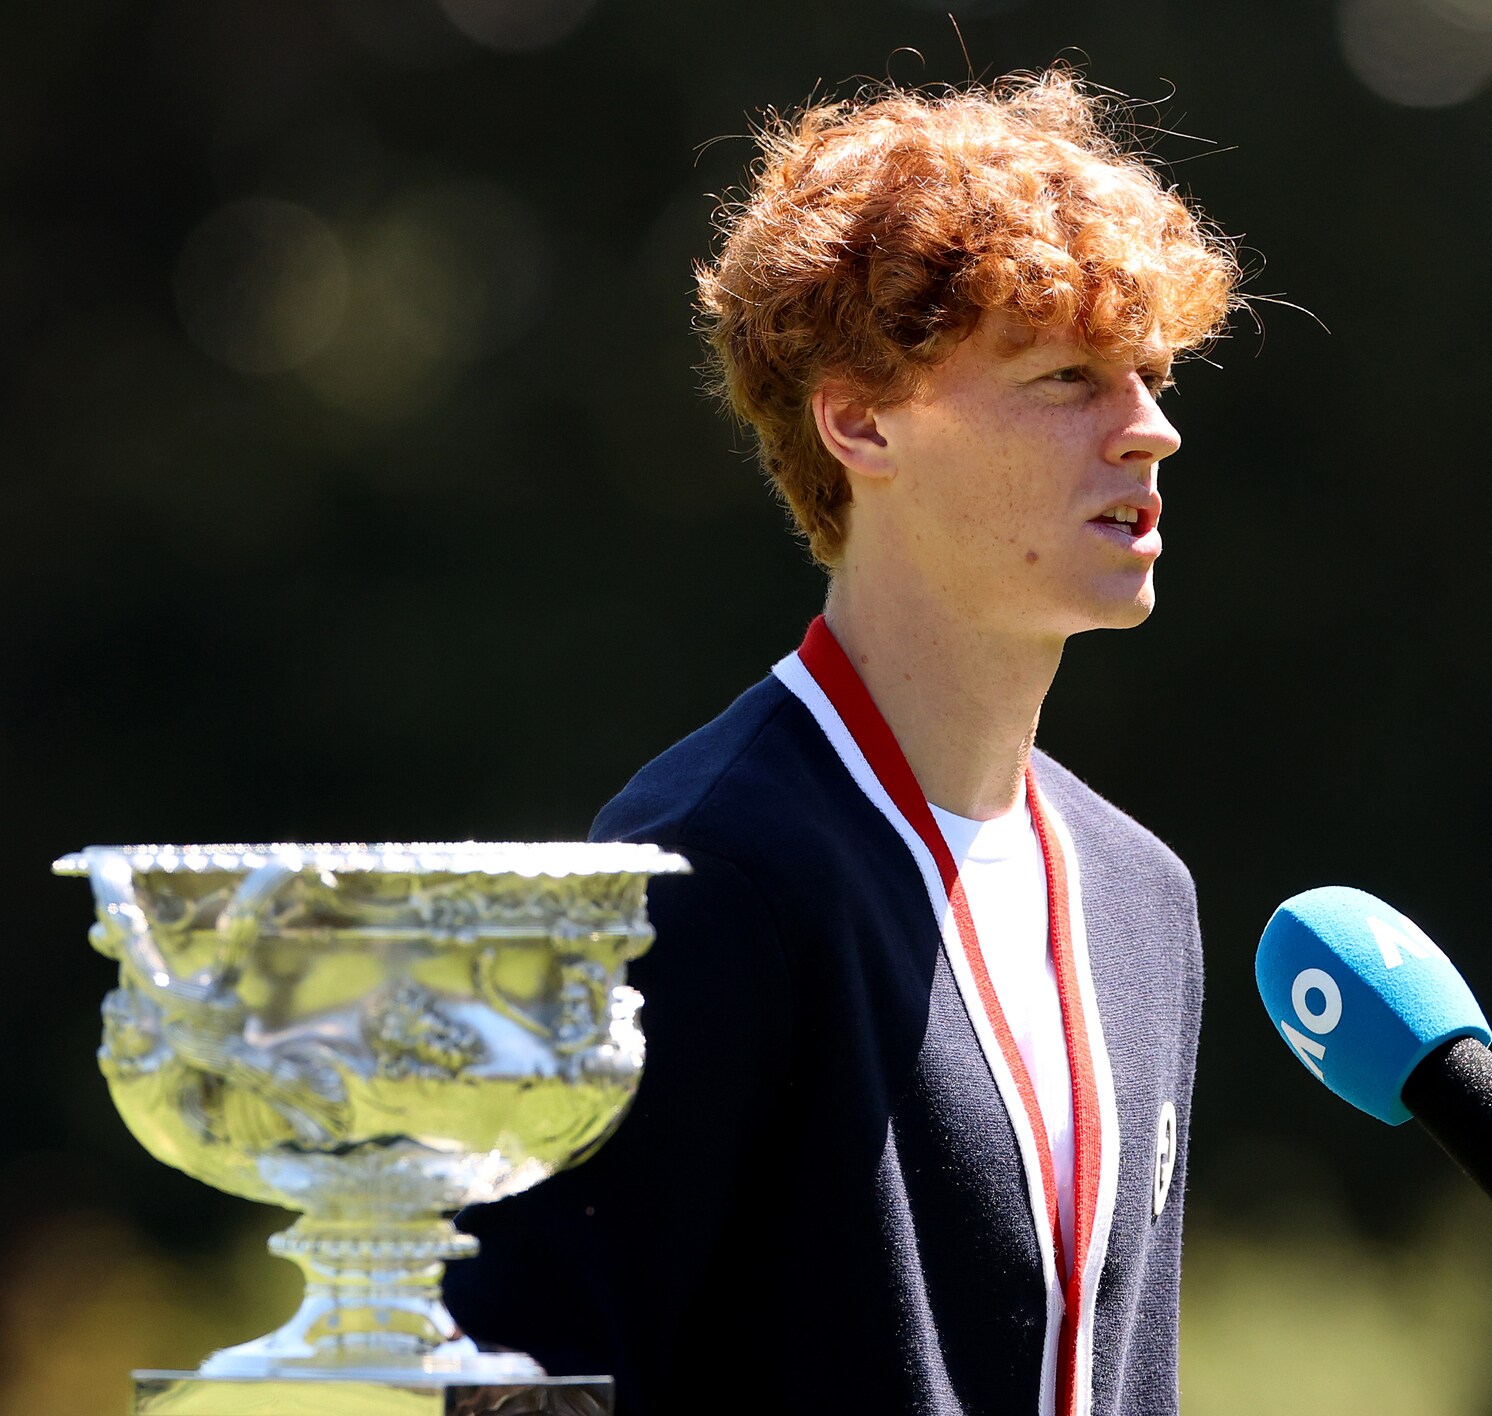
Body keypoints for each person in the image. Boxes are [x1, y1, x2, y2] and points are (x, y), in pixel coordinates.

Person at [446, 69, 1240, 1415]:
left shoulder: (1141, 898)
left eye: (1151, 376)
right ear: (859, 420)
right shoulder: (698, 876)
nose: (1149, 429)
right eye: (1066, 379)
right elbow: (526, 1379)